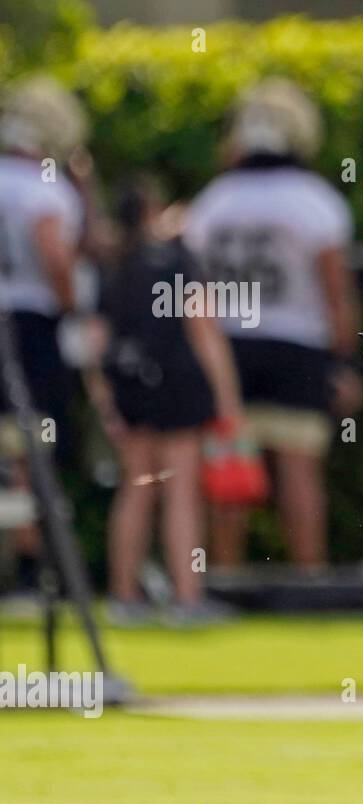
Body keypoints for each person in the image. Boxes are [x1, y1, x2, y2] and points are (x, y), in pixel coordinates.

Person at [183, 78, 360, 570]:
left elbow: (195, 283)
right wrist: (344, 360)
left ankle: (224, 577)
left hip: (227, 348)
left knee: (230, 465)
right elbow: (335, 294)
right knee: (298, 467)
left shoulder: (212, 200)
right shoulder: (316, 201)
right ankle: (308, 577)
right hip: (298, 346)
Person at [89, 177, 243, 625]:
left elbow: (95, 340)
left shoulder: (113, 262)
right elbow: (203, 328)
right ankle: (186, 596)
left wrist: (105, 401)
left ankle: (123, 596)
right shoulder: (178, 258)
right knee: (180, 490)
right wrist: (227, 397)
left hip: (129, 384)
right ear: (155, 208)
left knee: (135, 488)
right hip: (178, 384)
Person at [0, 76, 86, 599]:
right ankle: (33, 570)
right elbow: (54, 254)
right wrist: (71, 301)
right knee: (30, 450)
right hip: (28, 328)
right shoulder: (44, 188)